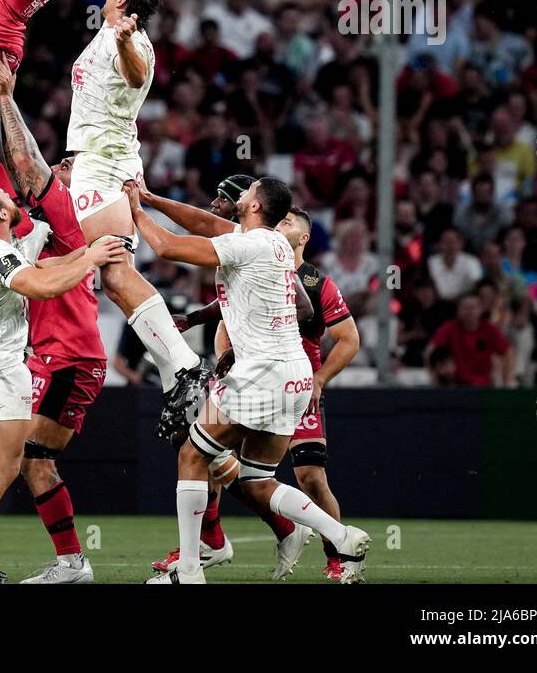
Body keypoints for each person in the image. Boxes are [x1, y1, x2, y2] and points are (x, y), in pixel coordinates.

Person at [128, 177, 370, 584]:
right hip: (294, 373)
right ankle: (341, 534)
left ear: (256, 206)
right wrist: (151, 198)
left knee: (191, 452)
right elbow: (204, 223)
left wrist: (136, 211)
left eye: (246, 191)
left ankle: (190, 569)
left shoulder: (250, 244)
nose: (238, 197)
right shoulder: (275, 243)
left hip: (261, 373)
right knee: (257, 480)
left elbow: (168, 247)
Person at [59, 0, 207, 439]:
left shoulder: (134, 43)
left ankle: (182, 364)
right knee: (99, 267)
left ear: (123, 7)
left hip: (106, 166)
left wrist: (122, 38)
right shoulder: (115, 18)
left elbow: (137, 73)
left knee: (116, 270)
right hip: (95, 162)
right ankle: (176, 367)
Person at [0, 183, 124, 583]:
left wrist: (89, 254)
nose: (14, 201)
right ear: (3, 215)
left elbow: (41, 269)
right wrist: (89, 259)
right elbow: (42, 288)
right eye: (7, 200)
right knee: (6, 466)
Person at [0, 55, 106, 583]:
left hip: (71, 359)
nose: (60, 168)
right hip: (54, 359)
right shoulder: (52, 227)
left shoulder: (69, 216)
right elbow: (19, 173)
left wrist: (7, 99)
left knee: (26, 457)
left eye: (69, 167)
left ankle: (68, 562)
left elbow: (29, 164)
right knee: (13, 452)